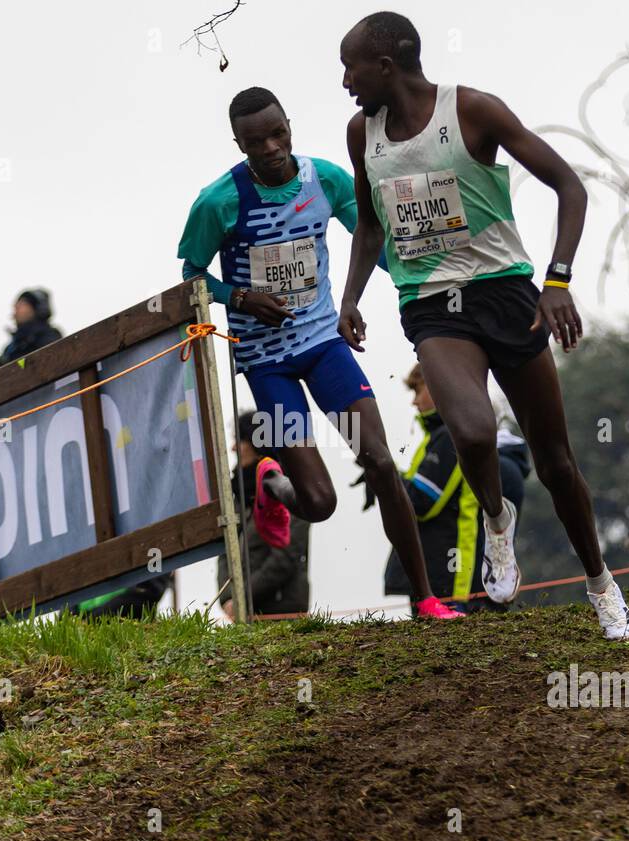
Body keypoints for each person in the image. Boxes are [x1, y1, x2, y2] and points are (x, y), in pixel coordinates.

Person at [337, 12, 629, 639]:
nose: (345, 82)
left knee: (556, 463)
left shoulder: (473, 111)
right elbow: (369, 227)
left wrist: (557, 281)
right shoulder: (359, 134)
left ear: (387, 65)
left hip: (506, 294)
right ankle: (498, 524)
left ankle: (601, 586)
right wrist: (350, 299)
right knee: (473, 435)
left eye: (351, 67)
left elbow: (569, 187)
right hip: (429, 302)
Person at [178, 85, 462, 620]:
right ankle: (273, 485)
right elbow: (192, 275)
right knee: (321, 503)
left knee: (379, 461)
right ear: (238, 143)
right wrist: (239, 297)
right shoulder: (218, 202)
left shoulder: (325, 179)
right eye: (254, 140)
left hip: (322, 347)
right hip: (266, 364)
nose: (270, 147)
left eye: (277, 133)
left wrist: (424, 282)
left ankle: (425, 599)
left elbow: (371, 238)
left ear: (290, 124)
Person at [383, 363, 530, 612]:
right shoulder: (445, 435)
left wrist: (384, 477)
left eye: (418, 391)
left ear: (439, 387)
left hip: (449, 580)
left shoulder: (450, 435)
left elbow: (420, 502)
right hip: (454, 577)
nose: (414, 402)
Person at [217, 412, 310, 618]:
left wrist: (241, 598)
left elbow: (284, 557)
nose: (232, 448)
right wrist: (228, 598)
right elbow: (225, 548)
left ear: (258, 444)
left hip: (282, 612)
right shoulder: (239, 493)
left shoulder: (289, 490)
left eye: (239, 440)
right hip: (246, 611)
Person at [0, 288, 61, 369]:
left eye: (23, 304)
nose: (16, 309)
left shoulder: (48, 336)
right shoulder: (12, 346)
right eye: (16, 306)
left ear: (36, 309)